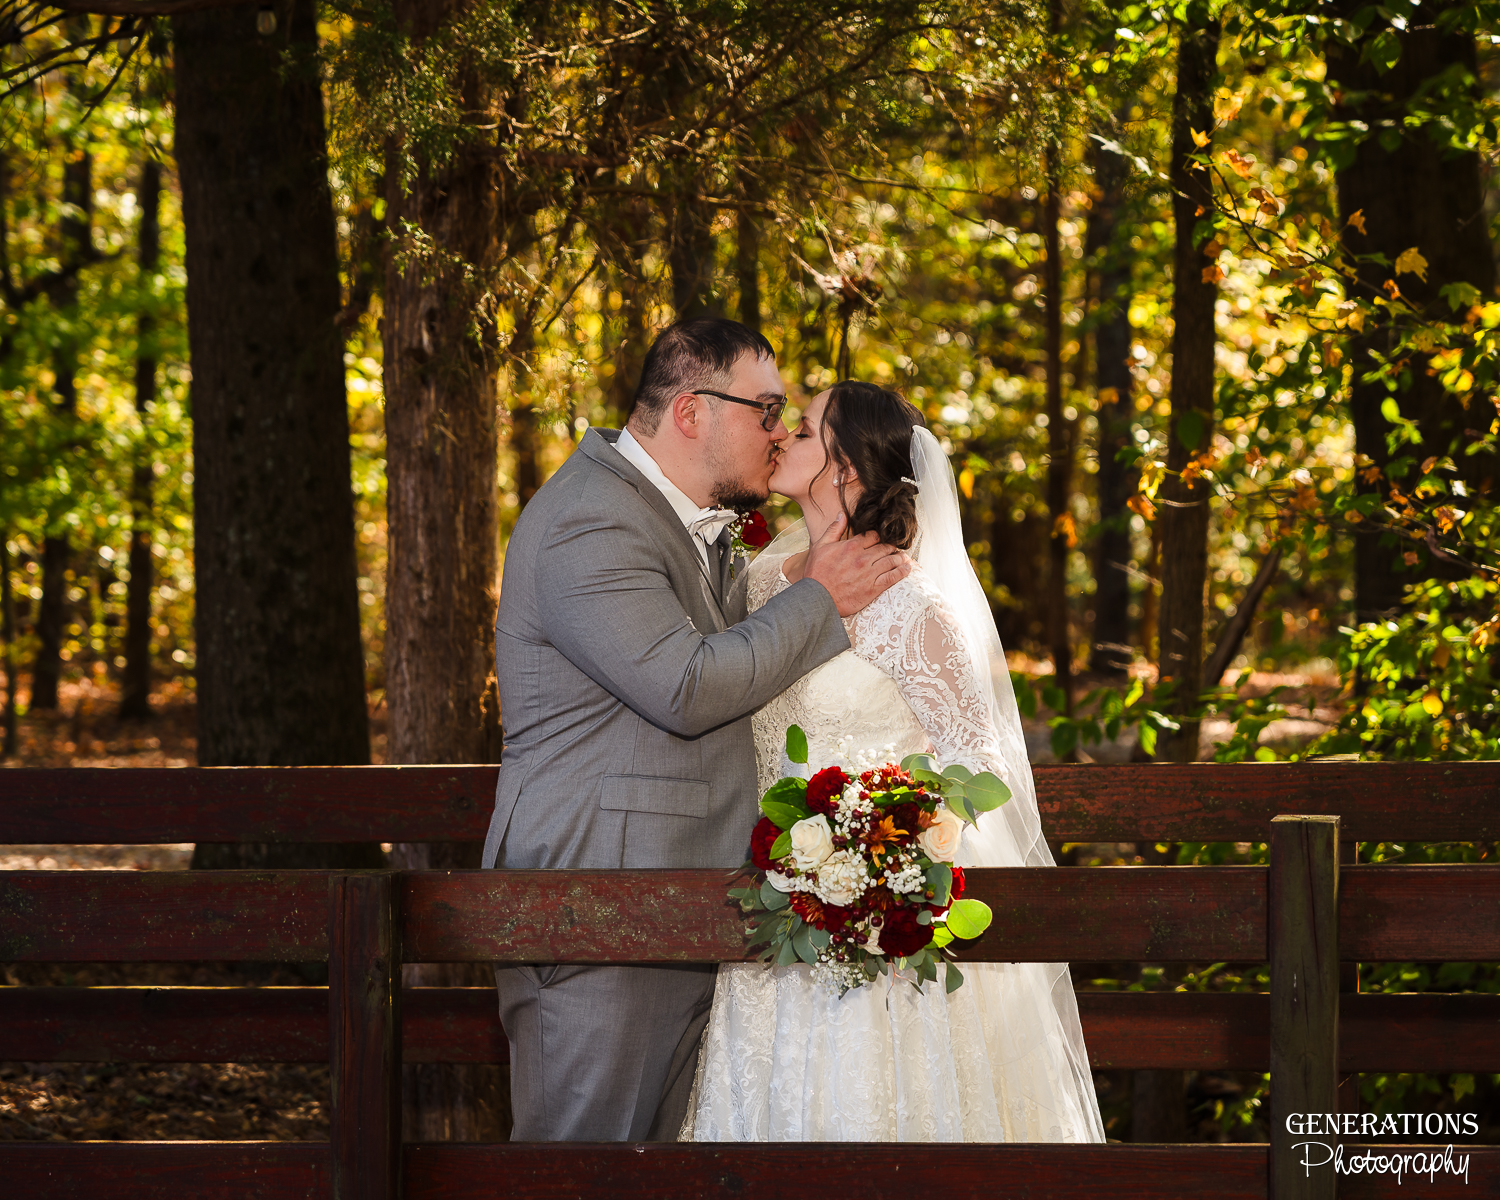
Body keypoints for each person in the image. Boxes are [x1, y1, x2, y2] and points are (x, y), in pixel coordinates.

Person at [483, 321, 912, 1141]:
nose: (782, 432)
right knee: (579, 1168)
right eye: (768, 409)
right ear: (691, 411)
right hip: (598, 911)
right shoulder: (592, 520)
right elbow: (685, 686)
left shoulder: (688, 522)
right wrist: (818, 596)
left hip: (685, 907)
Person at [683, 380, 1106, 1143]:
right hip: (769, 916)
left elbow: (983, 768)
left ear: (846, 470)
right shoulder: (759, 584)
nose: (782, 436)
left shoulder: (911, 605)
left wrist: (881, 847)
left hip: (880, 932)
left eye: (805, 429)